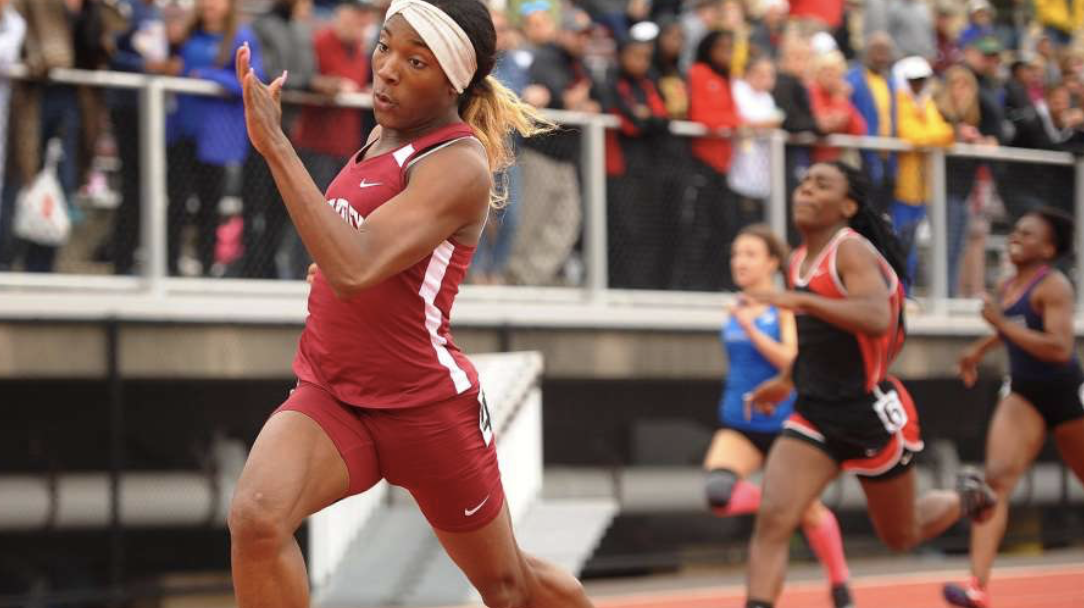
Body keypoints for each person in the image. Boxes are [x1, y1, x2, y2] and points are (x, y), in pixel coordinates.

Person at [228, 1, 594, 607]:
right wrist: (336, 256)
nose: (388, 69)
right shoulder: (380, 134)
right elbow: (356, 249)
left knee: (507, 587)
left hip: (422, 405)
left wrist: (276, 145)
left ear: (454, 82)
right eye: (385, 47)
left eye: (415, 61)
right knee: (257, 519)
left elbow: (355, 266)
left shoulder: (459, 163)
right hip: (334, 389)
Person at [741, 162, 997, 608]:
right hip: (816, 412)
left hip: (869, 413)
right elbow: (819, 342)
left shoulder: (851, 251)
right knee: (773, 521)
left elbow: (876, 318)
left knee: (902, 535)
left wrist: (801, 300)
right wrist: (783, 382)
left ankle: (964, 495)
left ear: (847, 206)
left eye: (822, 185)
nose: (806, 189)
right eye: (804, 181)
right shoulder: (800, 259)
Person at [706, 224, 855, 608]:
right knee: (718, 494)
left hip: (787, 425)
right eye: (736, 254)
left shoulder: (784, 306)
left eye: (750, 254)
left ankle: (840, 585)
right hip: (739, 423)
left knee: (808, 511)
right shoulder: (734, 306)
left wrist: (752, 330)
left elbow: (792, 360)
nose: (740, 262)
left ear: (772, 262)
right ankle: (780, 501)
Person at [943, 208, 1084, 608]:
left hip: (1065, 394)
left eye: (1027, 233)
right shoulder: (1008, 284)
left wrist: (999, 326)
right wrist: (978, 350)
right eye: (1015, 231)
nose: (1015, 237)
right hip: (1024, 393)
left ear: (1050, 247)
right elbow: (1016, 328)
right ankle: (977, 586)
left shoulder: (1053, 286)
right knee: (995, 482)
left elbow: (1058, 348)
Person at [166, 0, 262, 276]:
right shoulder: (186, 35)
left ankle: (207, 267)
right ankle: (169, 267)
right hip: (182, 131)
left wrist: (207, 77)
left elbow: (253, 79)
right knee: (177, 201)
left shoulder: (241, 37)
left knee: (210, 203)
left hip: (216, 138)